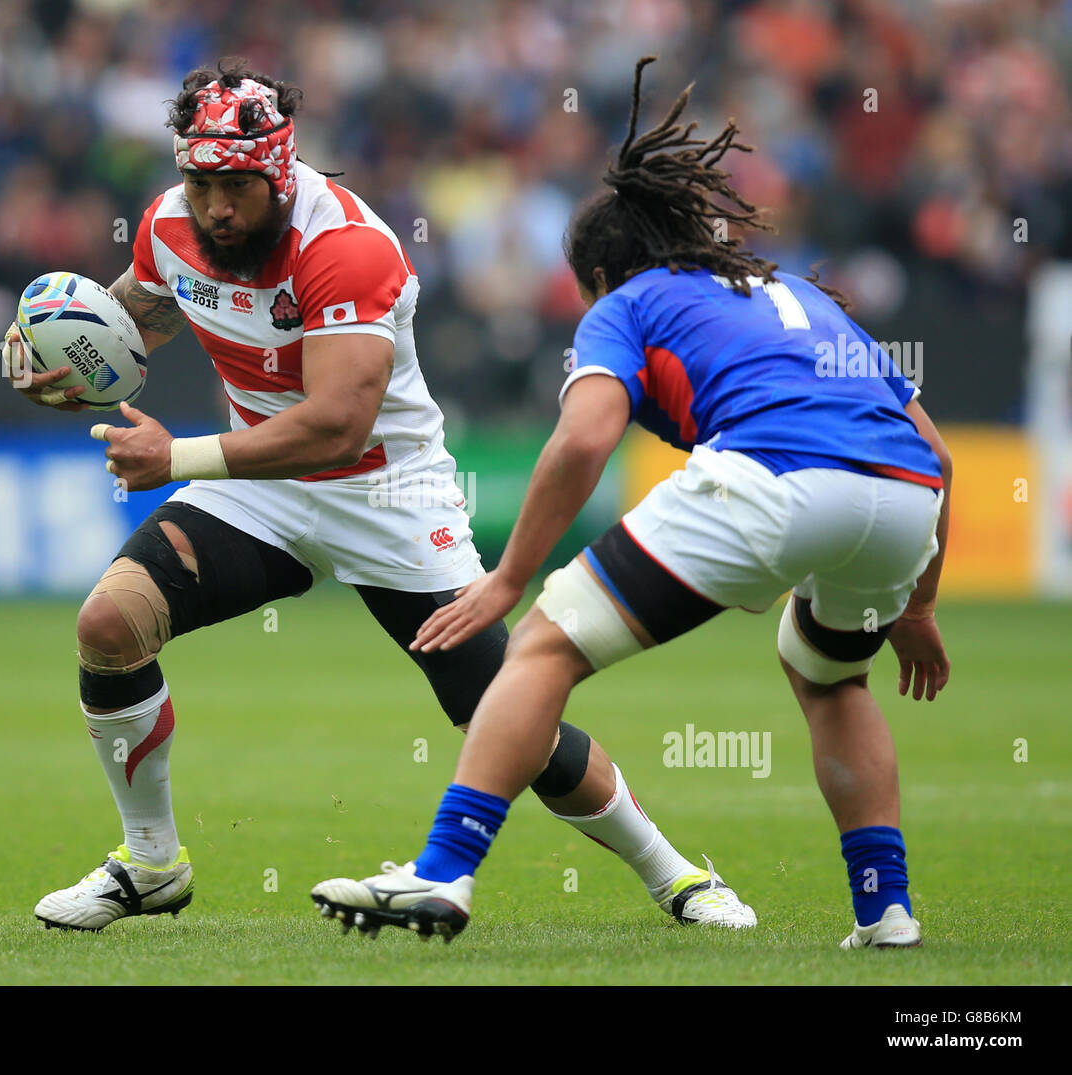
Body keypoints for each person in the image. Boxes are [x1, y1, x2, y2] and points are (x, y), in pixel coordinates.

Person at [7, 58, 755, 932]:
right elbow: (148, 309)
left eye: (235, 185)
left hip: (385, 492)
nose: (214, 205)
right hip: (259, 490)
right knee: (109, 624)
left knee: (499, 706)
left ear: (279, 172)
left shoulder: (348, 249)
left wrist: (177, 458)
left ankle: (677, 876)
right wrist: (65, 359)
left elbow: (339, 426)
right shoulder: (172, 226)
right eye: (198, 179)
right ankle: (151, 863)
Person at [311, 57, 951, 949]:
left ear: (601, 274)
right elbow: (937, 451)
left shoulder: (630, 301)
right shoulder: (803, 295)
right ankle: (886, 912)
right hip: (903, 502)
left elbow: (581, 440)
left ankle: (444, 871)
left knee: (539, 646)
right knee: (830, 673)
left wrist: (506, 580)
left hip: (772, 477)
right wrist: (916, 602)